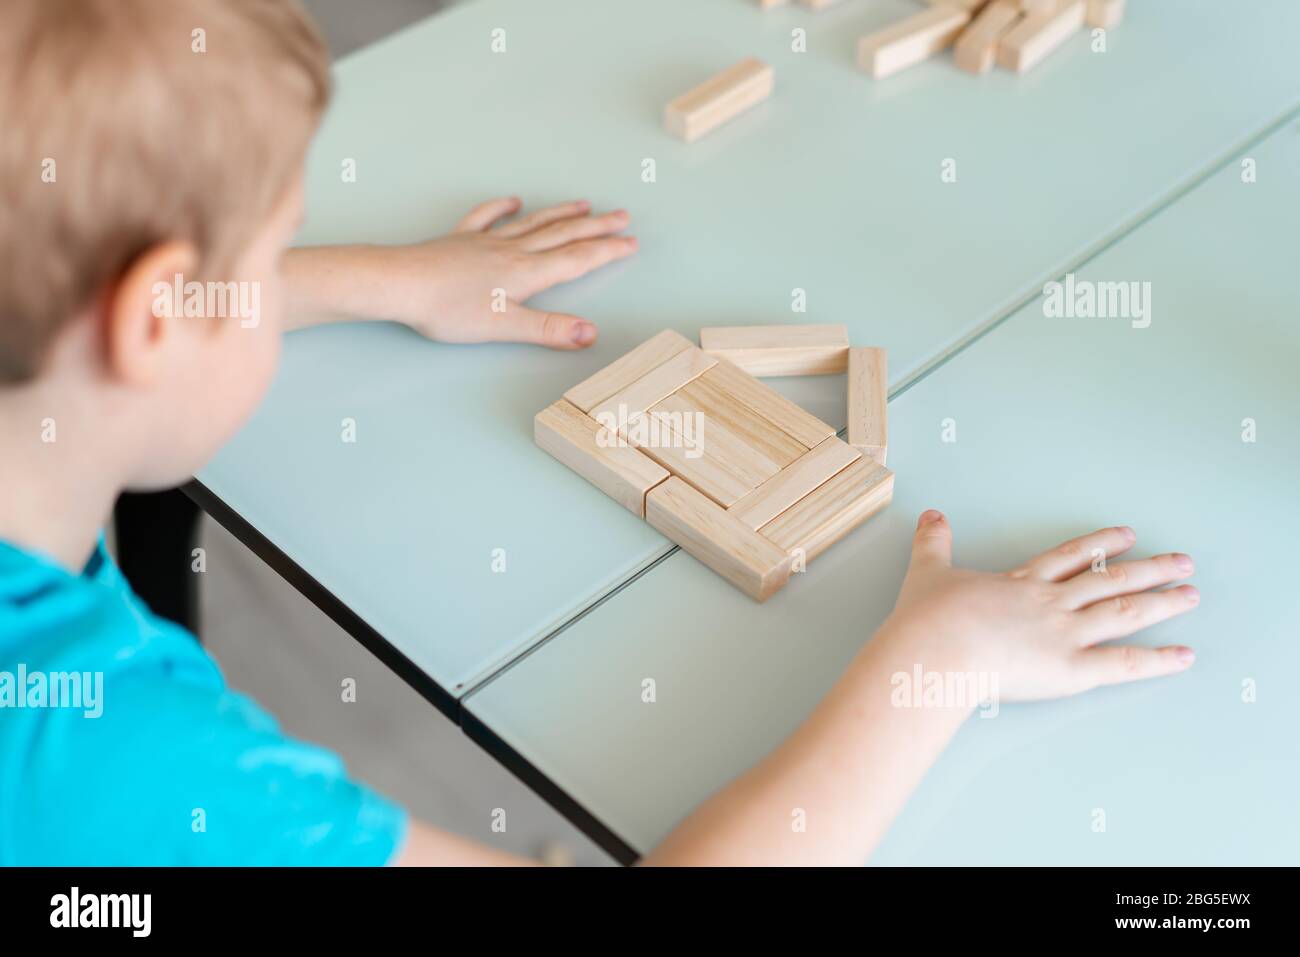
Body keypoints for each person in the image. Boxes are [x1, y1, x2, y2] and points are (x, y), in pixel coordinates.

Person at [0, 0, 1199, 865]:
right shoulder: (123, 774)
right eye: (267, 253)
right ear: (156, 315)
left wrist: (382, 279)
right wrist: (932, 667)